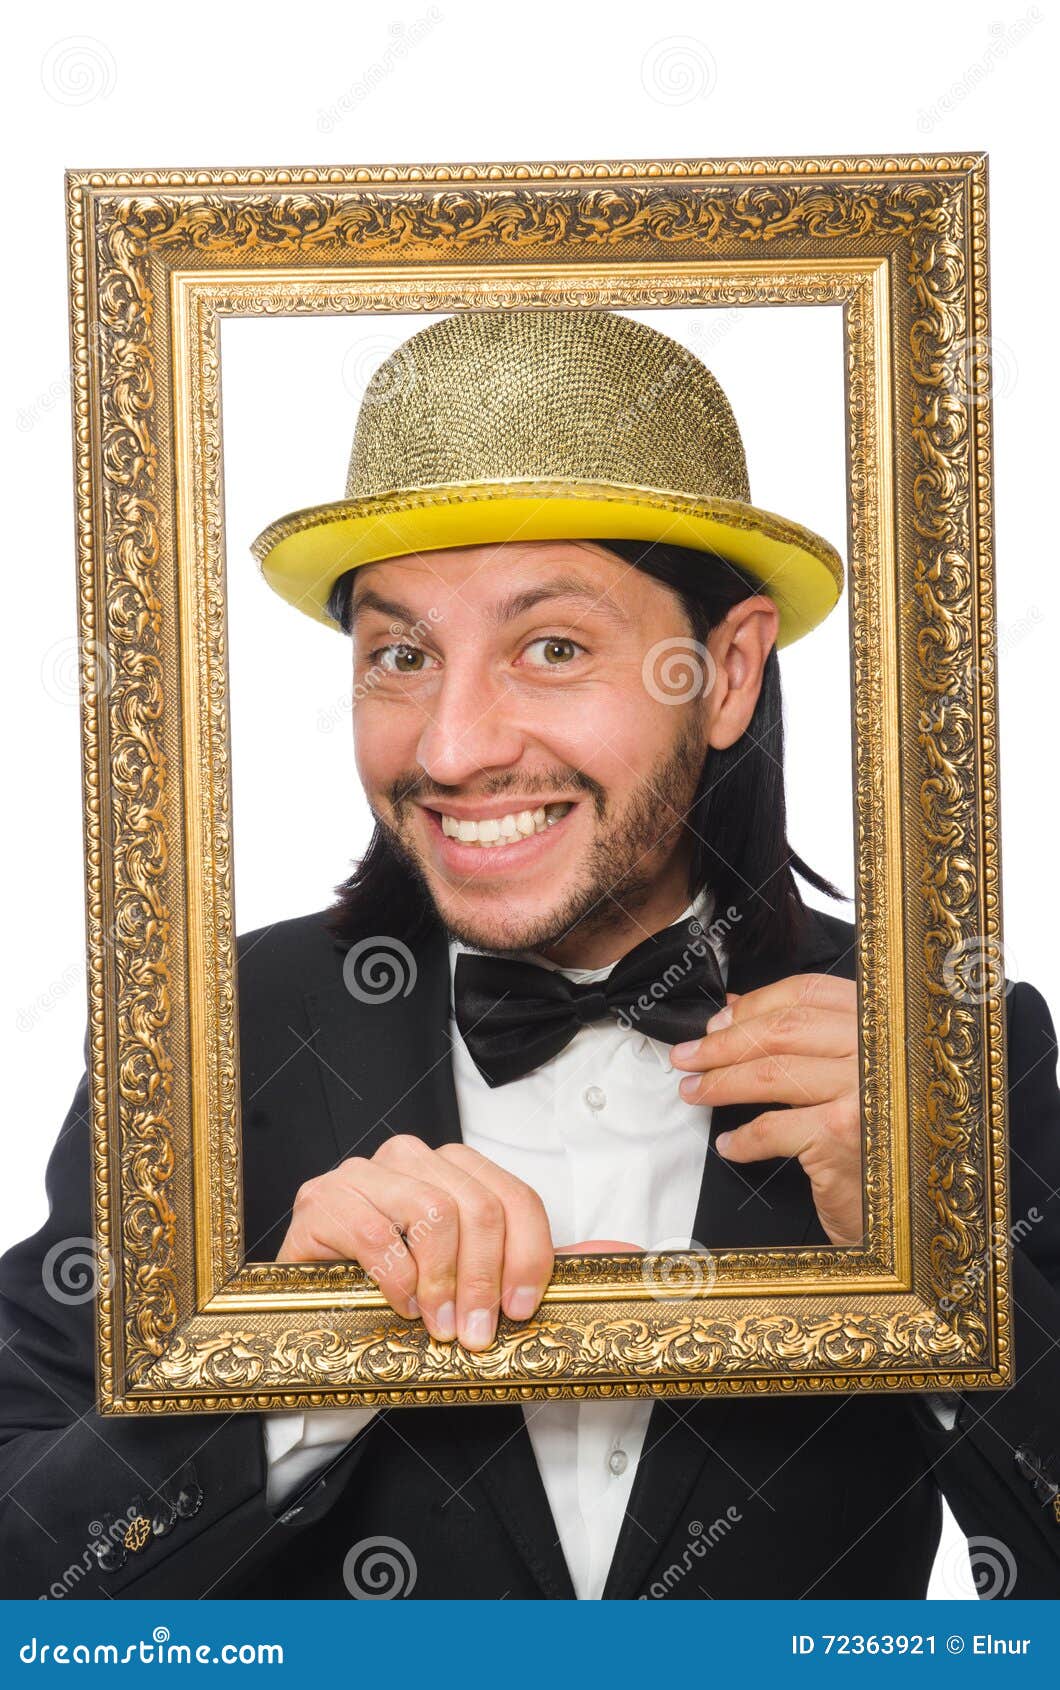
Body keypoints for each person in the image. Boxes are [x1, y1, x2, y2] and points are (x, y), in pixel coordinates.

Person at [1, 310, 1057, 1601]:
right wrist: (290, 1356)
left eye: (552, 647)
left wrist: (961, 1268)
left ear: (726, 674)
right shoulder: (212, 1031)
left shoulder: (952, 1046)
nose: (448, 750)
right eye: (400, 654)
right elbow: (22, 1576)